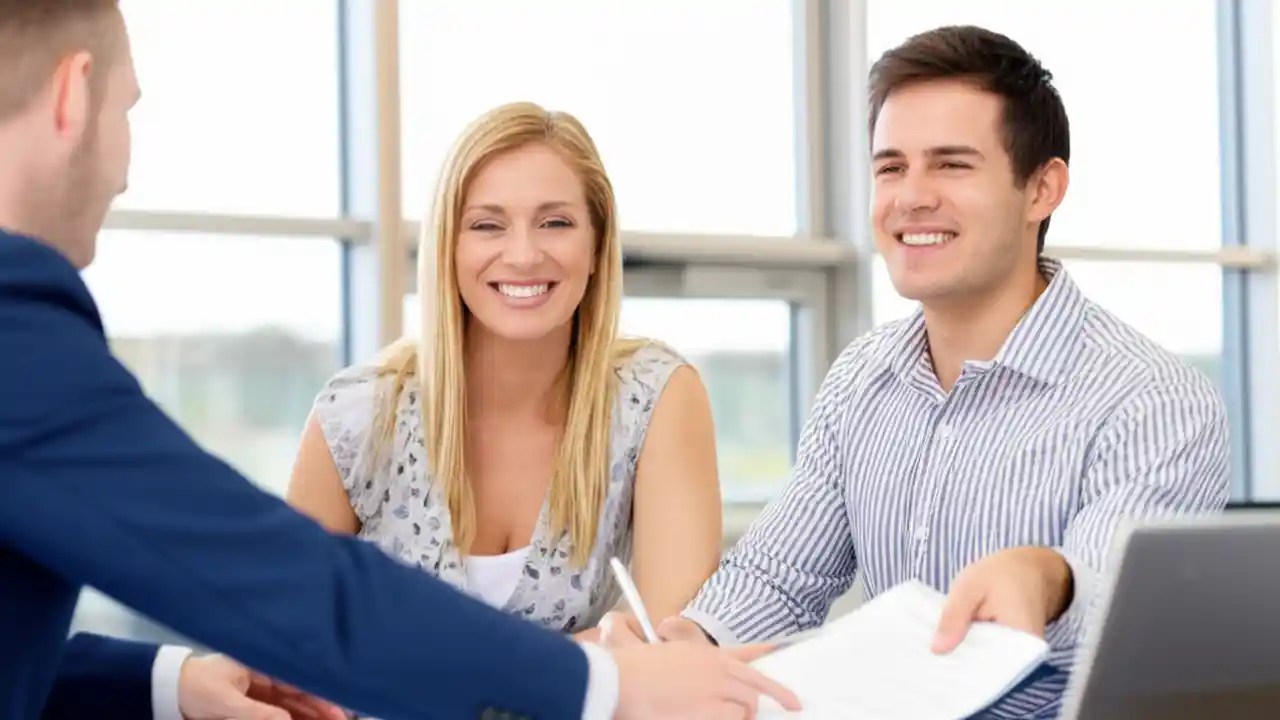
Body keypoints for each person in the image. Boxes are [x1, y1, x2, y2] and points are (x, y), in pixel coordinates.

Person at [0, 2, 801, 719]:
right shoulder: (18, 326)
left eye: (555, 223)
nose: (128, 168)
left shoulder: (654, 394)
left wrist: (170, 684)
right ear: (74, 94)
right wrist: (605, 684)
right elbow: (283, 583)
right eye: (129, 111)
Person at [602, 24, 1230, 718]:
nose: (911, 197)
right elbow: (777, 580)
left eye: (952, 165)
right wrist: (688, 643)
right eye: (891, 166)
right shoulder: (860, 380)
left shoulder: (1154, 401)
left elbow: (1115, 622)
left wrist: (1047, 578)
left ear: (1042, 189)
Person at [288, 101, 723, 649]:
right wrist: (584, 655)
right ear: (449, 247)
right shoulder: (357, 415)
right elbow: (293, 651)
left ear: (596, 246)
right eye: (487, 225)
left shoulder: (653, 396)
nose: (522, 255)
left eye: (556, 222)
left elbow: (670, 650)